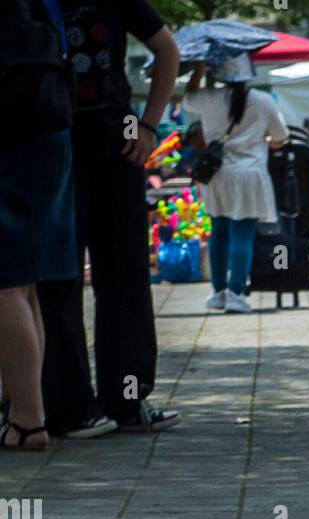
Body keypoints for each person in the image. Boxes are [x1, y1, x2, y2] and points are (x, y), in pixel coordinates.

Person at [37, 1, 181, 438]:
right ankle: (76, 406)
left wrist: (150, 126)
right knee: (61, 279)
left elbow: (167, 50)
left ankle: (121, 399)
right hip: (55, 138)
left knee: (119, 275)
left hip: (111, 142)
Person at [0, 0, 76, 450]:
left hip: (10, 144)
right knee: (25, 285)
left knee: (6, 285)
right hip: (50, 137)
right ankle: (25, 410)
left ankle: (28, 419)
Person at [183, 56, 287, 314]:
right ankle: (236, 292)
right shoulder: (263, 101)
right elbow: (280, 138)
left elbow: (187, 99)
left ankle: (217, 292)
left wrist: (197, 70)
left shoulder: (210, 98)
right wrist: (262, 139)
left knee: (219, 232)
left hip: (216, 175)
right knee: (242, 234)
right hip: (249, 175)